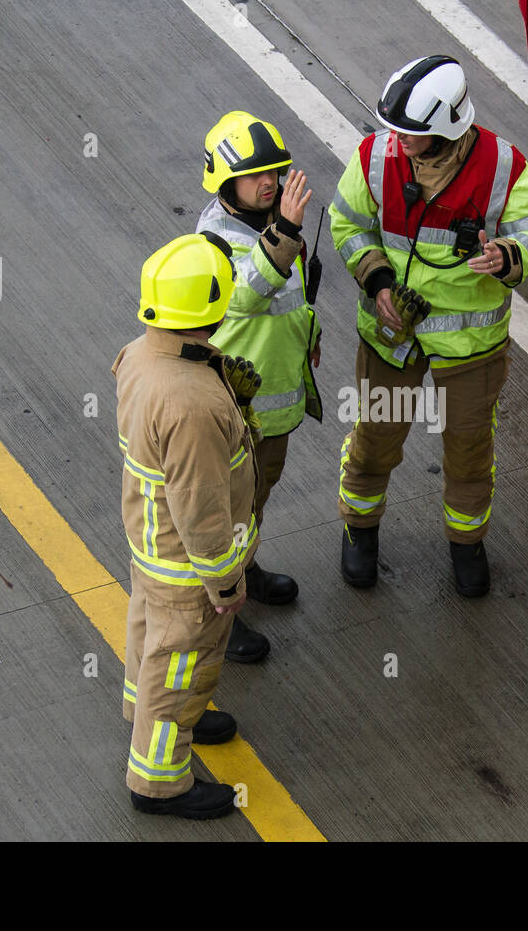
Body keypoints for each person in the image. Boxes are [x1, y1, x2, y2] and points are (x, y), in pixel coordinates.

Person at [329, 55, 528, 597]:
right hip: (392, 338)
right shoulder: (376, 158)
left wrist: (510, 256)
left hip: (471, 347)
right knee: (376, 439)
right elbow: (348, 224)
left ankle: (466, 542)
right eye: (393, 128)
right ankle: (359, 531)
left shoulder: (504, 166)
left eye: (409, 132)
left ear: (447, 127)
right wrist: (379, 284)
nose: (396, 139)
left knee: (471, 449)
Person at [114, 232, 263, 818]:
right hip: (186, 563)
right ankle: (159, 780)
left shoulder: (139, 355)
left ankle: (142, 712)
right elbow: (201, 506)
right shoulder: (193, 401)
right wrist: (225, 582)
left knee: (149, 637)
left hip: (151, 545)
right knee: (180, 663)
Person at [194, 110, 322, 663]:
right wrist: (287, 231)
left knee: (254, 505)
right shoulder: (214, 241)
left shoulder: (269, 223)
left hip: (271, 409)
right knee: (224, 517)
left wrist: (309, 334)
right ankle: (219, 617)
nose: (269, 183)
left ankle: (245, 573)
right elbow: (248, 293)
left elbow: (291, 299)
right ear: (225, 184)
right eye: (254, 175)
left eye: (274, 170)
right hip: (238, 414)